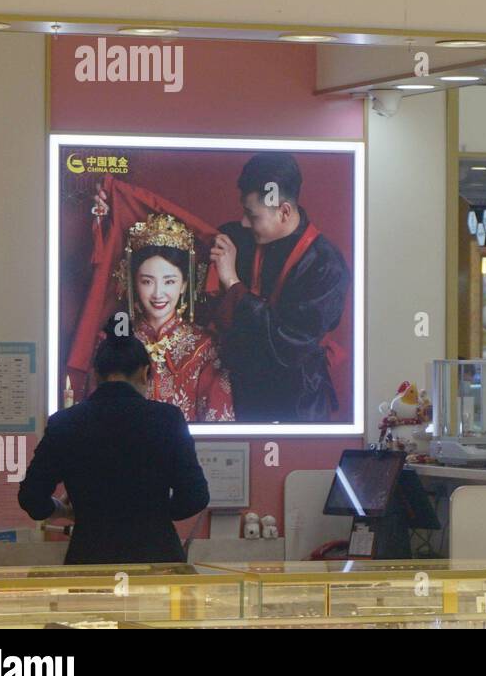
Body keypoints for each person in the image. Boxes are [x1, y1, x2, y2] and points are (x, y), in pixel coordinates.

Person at [19, 326, 210, 564]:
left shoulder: (65, 422)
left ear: (97, 374)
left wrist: (66, 511)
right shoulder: (167, 419)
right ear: (144, 372)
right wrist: (154, 515)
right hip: (156, 558)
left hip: (90, 559)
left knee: (96, 604)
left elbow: (31, 498)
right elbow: (195, 496)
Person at [209, 152, 350, 422]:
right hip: (242, 393)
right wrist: (106, 209)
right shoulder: (239, 237)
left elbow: (287, 342)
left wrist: (232, 283)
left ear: (284, 211)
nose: (243, 222)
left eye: (252, 215)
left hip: (297, 400)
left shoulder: (326, 265)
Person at [111, 212, 234, 422]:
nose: (158, 293)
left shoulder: (204, 348)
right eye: (147, 281)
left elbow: (218, 423)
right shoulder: (114, 343)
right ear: (133, 282)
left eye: (169, 281)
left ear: (184, 284)